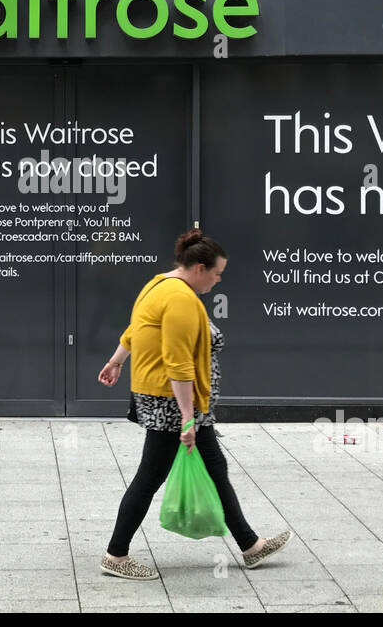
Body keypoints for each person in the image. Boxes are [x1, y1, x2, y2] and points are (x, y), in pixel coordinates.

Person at [97, 227, 293, 580]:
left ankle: (250, 545)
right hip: (170, 403)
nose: (218, 281)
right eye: (217, 274)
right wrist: (188, 418)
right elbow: (178, 362)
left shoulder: (158, 284)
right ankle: (116, 554)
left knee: (216, 469)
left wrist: (116, 360)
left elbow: (135, 329)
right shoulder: (180, 298)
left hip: (173, 401)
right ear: (199, 268)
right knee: (149, 476)